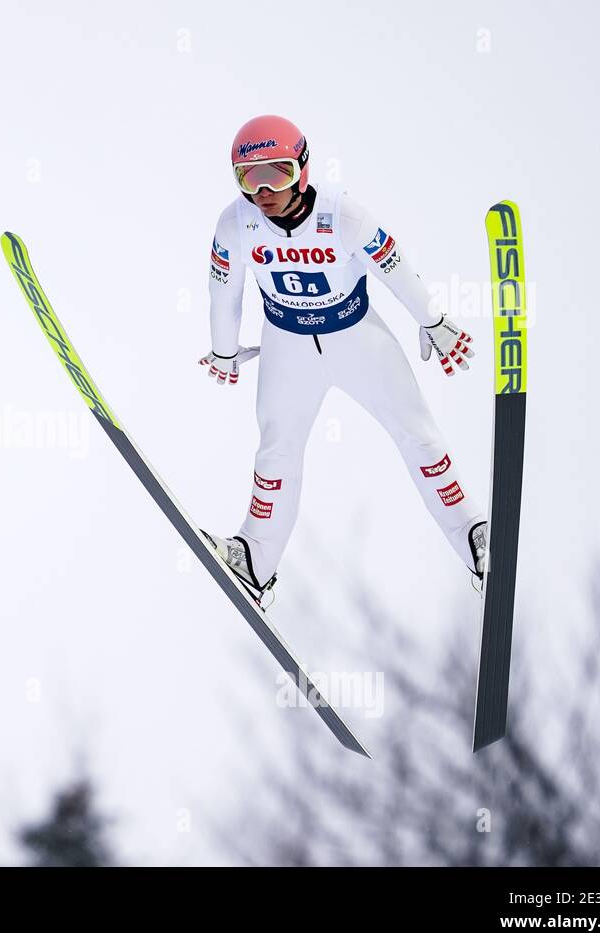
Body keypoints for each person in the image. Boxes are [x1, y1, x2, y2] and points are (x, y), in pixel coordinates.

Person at [199, 114, 485, 605]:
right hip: (287, 345)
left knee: (418, 435)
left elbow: (396, 269)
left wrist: (432, 318)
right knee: (275, 451)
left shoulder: (343, 214)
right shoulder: (236, 223)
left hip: (356, 337)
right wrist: (223, 347)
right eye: (250, 178)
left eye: (278, 173)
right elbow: (224, 290)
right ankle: (254, 558)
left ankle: (477, 538)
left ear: (303, 170)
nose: (264, 191)